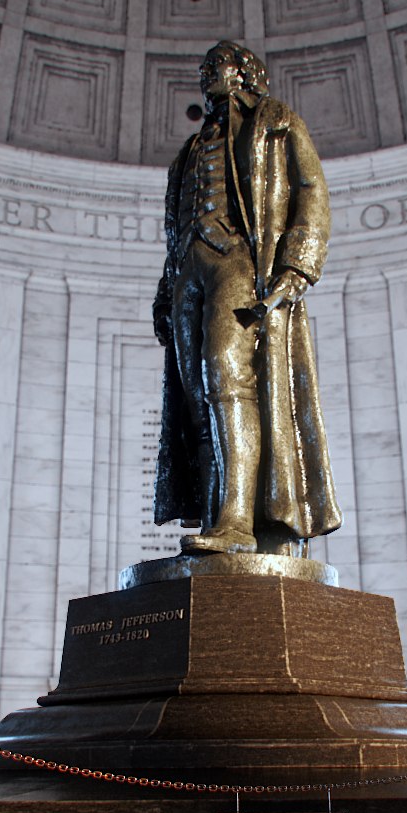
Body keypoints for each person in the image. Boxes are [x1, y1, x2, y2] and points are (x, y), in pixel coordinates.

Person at [152, 41, 341, 555]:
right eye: (204, 66)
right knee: (197, 398)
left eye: (218, 64)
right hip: (191, 269)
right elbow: (175, 232)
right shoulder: (187, 153)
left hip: (241, 259)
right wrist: (165, 293)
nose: (208, 72)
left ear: (245, 74)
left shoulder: (276, 122)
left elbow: (312, 192)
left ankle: (239, 520)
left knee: (227, 375)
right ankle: (218, 511)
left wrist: (297, 266)